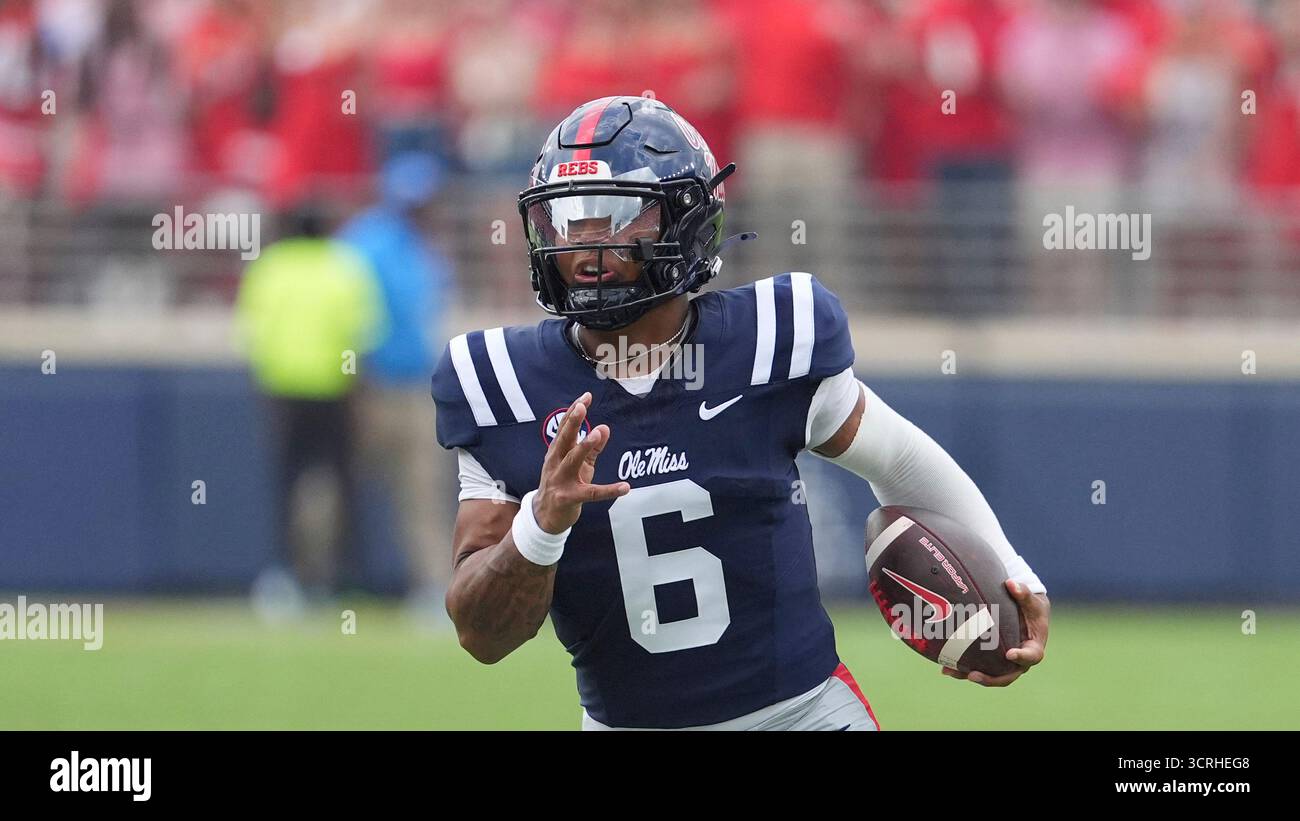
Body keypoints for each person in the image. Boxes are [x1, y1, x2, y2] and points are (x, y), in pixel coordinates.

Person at [431, 96, 1050, 730]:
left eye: (615, 217)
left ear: (687, 220)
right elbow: (481, 636)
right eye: (568, 221)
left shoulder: (769, 342)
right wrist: (540, 524)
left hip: (804, 716)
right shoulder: (499, 383)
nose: (588, 246)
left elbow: (900, 461)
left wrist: (1015, 580)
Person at [235, 203, 384, 616]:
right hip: (334, 393)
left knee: (288, 487)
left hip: (285, 393)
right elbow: (362, 334)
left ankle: (288, 575)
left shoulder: (270, 268)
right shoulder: (342, 267)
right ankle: (341, 578)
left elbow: (253, 333)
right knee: (343, 486)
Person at [338, 153, 453, 623]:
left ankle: (433, 589)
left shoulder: (426, 249)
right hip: (367, 383)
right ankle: (312, 581)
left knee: (423, 489)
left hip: (415, 386)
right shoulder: (363, 242)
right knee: (337, 486)